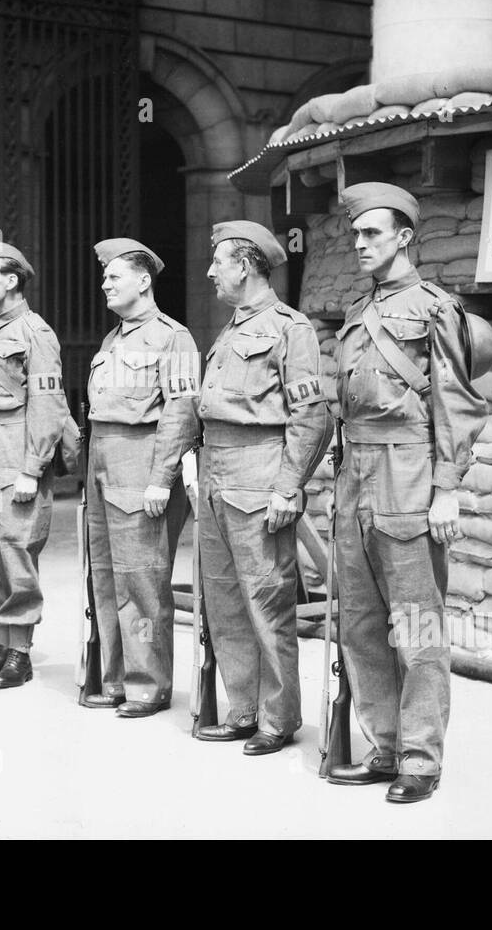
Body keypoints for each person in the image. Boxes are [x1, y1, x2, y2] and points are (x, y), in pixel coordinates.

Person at [325, 183, 488, 802]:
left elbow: (455, 403)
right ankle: (385, 744)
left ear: (404, 238)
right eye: (356, 234)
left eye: (372, 233)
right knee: (362, 623)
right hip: (354, 472)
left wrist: (447, 489)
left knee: (417, 625)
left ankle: (421, 758)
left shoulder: (434, 308)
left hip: (409, 468)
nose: (360, 244)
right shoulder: (354, 312)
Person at [194, 220, 328, 756]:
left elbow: (310, 416)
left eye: (219, 261)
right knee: (224, 599)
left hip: (259, 470)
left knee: (267, 600)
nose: (209, 271)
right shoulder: (229, 329)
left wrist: (288, 487)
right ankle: (242, 709)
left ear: (245, 265)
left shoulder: (291, 328)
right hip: (215, 470)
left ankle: (277, 718)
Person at [81, 237, 198, 717]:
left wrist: (162, 477)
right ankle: (114, 679)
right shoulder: (114, 339)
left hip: (141, 463)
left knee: (143, 582)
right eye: (104, 276)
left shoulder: (173, 337)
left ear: (144, 281)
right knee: (105, 579)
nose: (105, 283)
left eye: (115, 276)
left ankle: (147, 685)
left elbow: (182, 409)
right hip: (103, 464)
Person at [0, 241, 66, 689]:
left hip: (16, 446)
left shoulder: (34, 332)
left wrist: (32, 467)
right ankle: (4, 644)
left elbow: (48, 403)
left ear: (12, 281)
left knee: (16, 545)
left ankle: (21, 652)